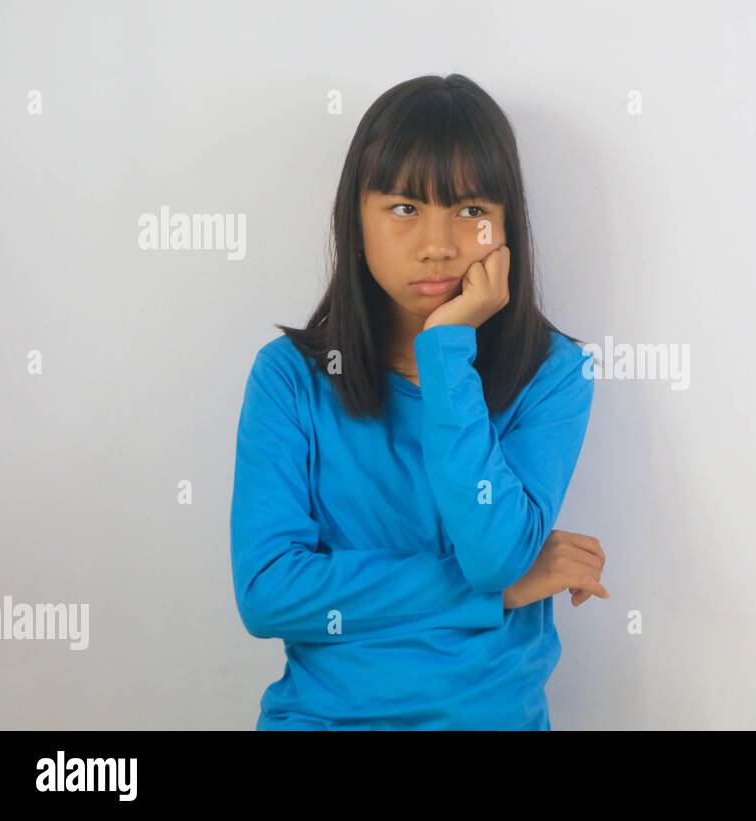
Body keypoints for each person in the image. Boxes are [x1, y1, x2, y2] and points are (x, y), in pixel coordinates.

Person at [229, 74, 608, 730]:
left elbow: (492, 552)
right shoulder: (289, 378)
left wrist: (445, 350)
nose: (439, 243)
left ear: (505, 223)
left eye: (470, 211)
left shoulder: (553, 374)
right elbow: (268, 594)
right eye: (405, 207)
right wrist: (494, 594)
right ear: (358, 218)